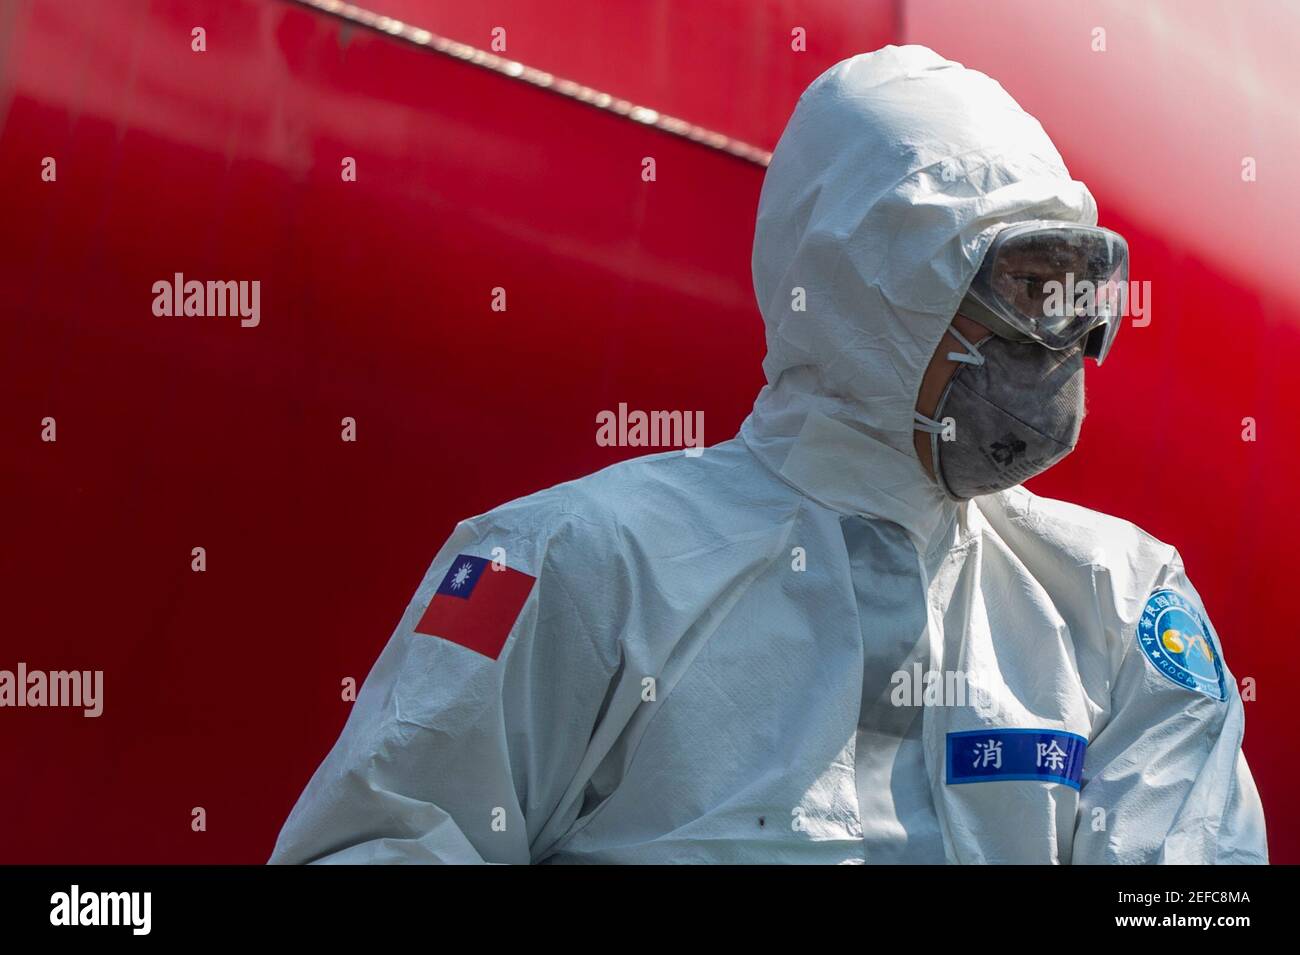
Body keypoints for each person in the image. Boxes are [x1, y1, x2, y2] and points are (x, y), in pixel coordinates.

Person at [269, 45, 1267, 864]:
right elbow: (380, 844)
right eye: (1019, 291)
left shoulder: (1119, 603)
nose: (1052, 347)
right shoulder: (569, 566)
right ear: (868, 291)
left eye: (1071, 298)